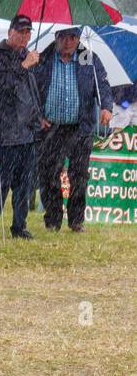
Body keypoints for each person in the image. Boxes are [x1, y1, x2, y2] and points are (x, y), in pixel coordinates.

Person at [32, 25, 113, 232]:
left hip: (80, 127)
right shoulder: (42, 58)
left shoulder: (89, 59)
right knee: (49, 176)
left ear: (78, 39)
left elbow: (102, 84)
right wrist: (37, 116)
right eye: (65, 37)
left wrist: (106, 107)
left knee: (79, 176)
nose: (69, 42)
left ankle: (76, 221)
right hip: (51, 127)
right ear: (57, 37)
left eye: (73, 37)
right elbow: (31, 90)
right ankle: (53, 220)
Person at [0, 14, 44, 240]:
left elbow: (30, 91)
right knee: (1, 183)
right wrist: (23, 66)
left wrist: (38, 117)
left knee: (24, 185)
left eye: (28, 32)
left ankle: (19, 226)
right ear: (10, 32)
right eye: (20, 31)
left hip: (26, 132)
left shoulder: (26, 56)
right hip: (4, 131)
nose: (24, 36)